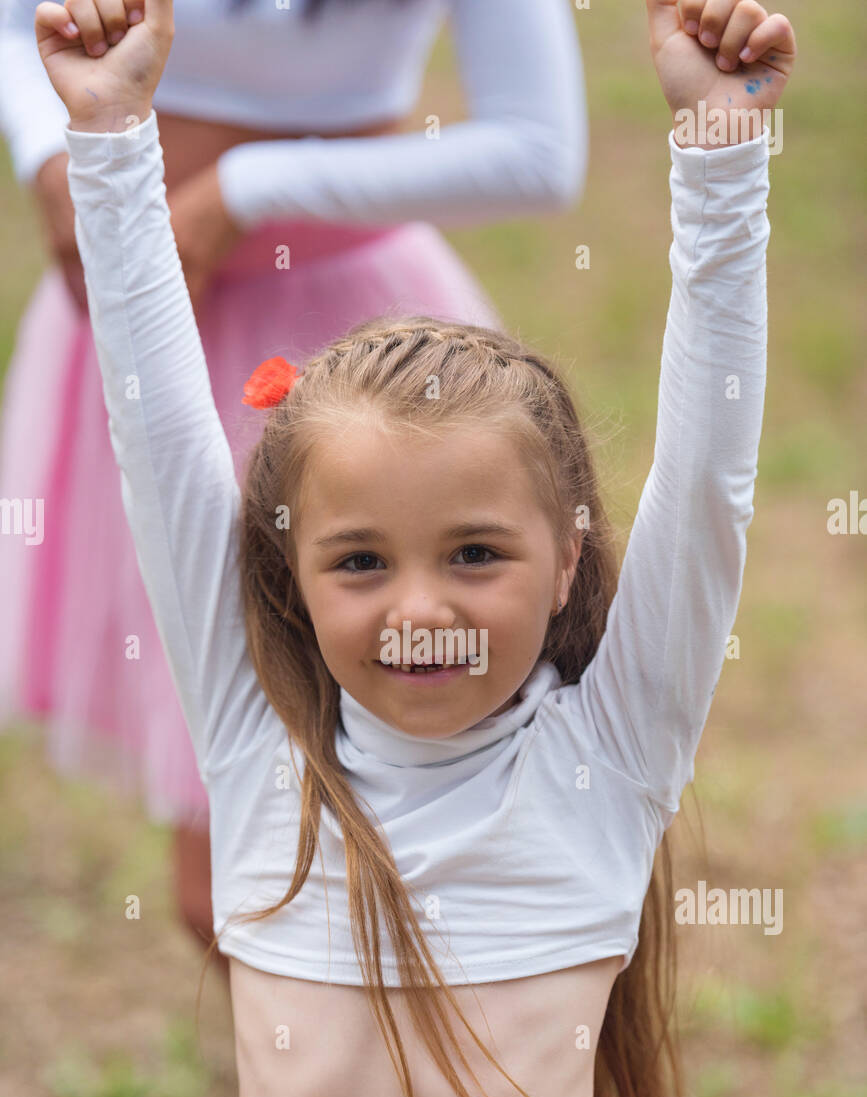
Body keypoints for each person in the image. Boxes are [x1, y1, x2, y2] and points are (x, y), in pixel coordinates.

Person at [36, 0, 797, 1097]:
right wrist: (109, 137)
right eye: (359, 562)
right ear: (289, 572)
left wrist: (720, 153)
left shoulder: (608, 755)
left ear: (566, 559)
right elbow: (154, 430)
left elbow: (709, 482)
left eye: (475, 553)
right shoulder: (258, 746)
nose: (418, 609)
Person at [0, 0, 587, 970]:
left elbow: (538, 150)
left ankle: (459, 1034)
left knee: (384, 807)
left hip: (336, 349)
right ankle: (313, 1049)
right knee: (227, 871)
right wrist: (54, 157)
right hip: (138, 312)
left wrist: (246, 189)